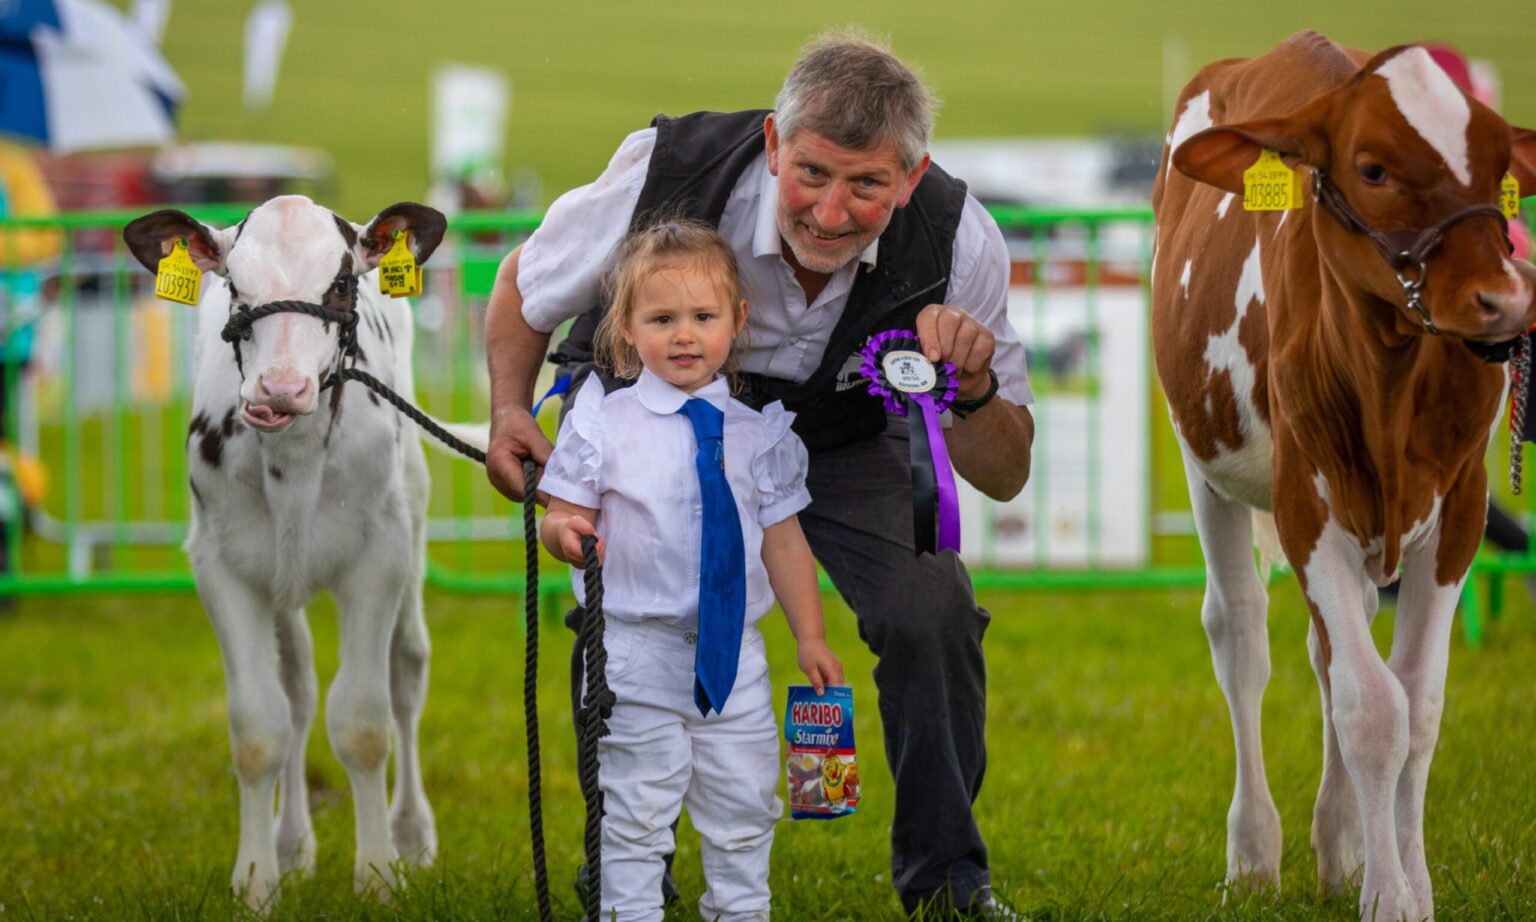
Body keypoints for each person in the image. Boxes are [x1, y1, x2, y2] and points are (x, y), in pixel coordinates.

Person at [486, 30, 1035, 918]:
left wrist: (969, 390)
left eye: (867, 184)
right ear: (776, 143)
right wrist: (511, 407)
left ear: (910, 174)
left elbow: (1007, 472)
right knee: (632, 614)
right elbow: (525, 284)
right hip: (655, 412)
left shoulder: (961, 237)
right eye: (812, 172)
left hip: (845, 437)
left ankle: (948, 883)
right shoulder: (665, 168)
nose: (828, 211)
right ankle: (628, 869)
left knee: (932, 606)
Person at [539, 220, 844, 922]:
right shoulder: (602, 426)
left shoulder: (757, 436)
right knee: (635, 808)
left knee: (744, 802)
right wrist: (567, 534)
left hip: (735, 657)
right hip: (635, 652)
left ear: (736, 322)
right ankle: (629, 912)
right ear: (625, 329)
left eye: (702, 317)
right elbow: (560, 513)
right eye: (662, 318)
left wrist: (812, 636)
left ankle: (740, 911)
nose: (683, 335)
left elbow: (784, 541)